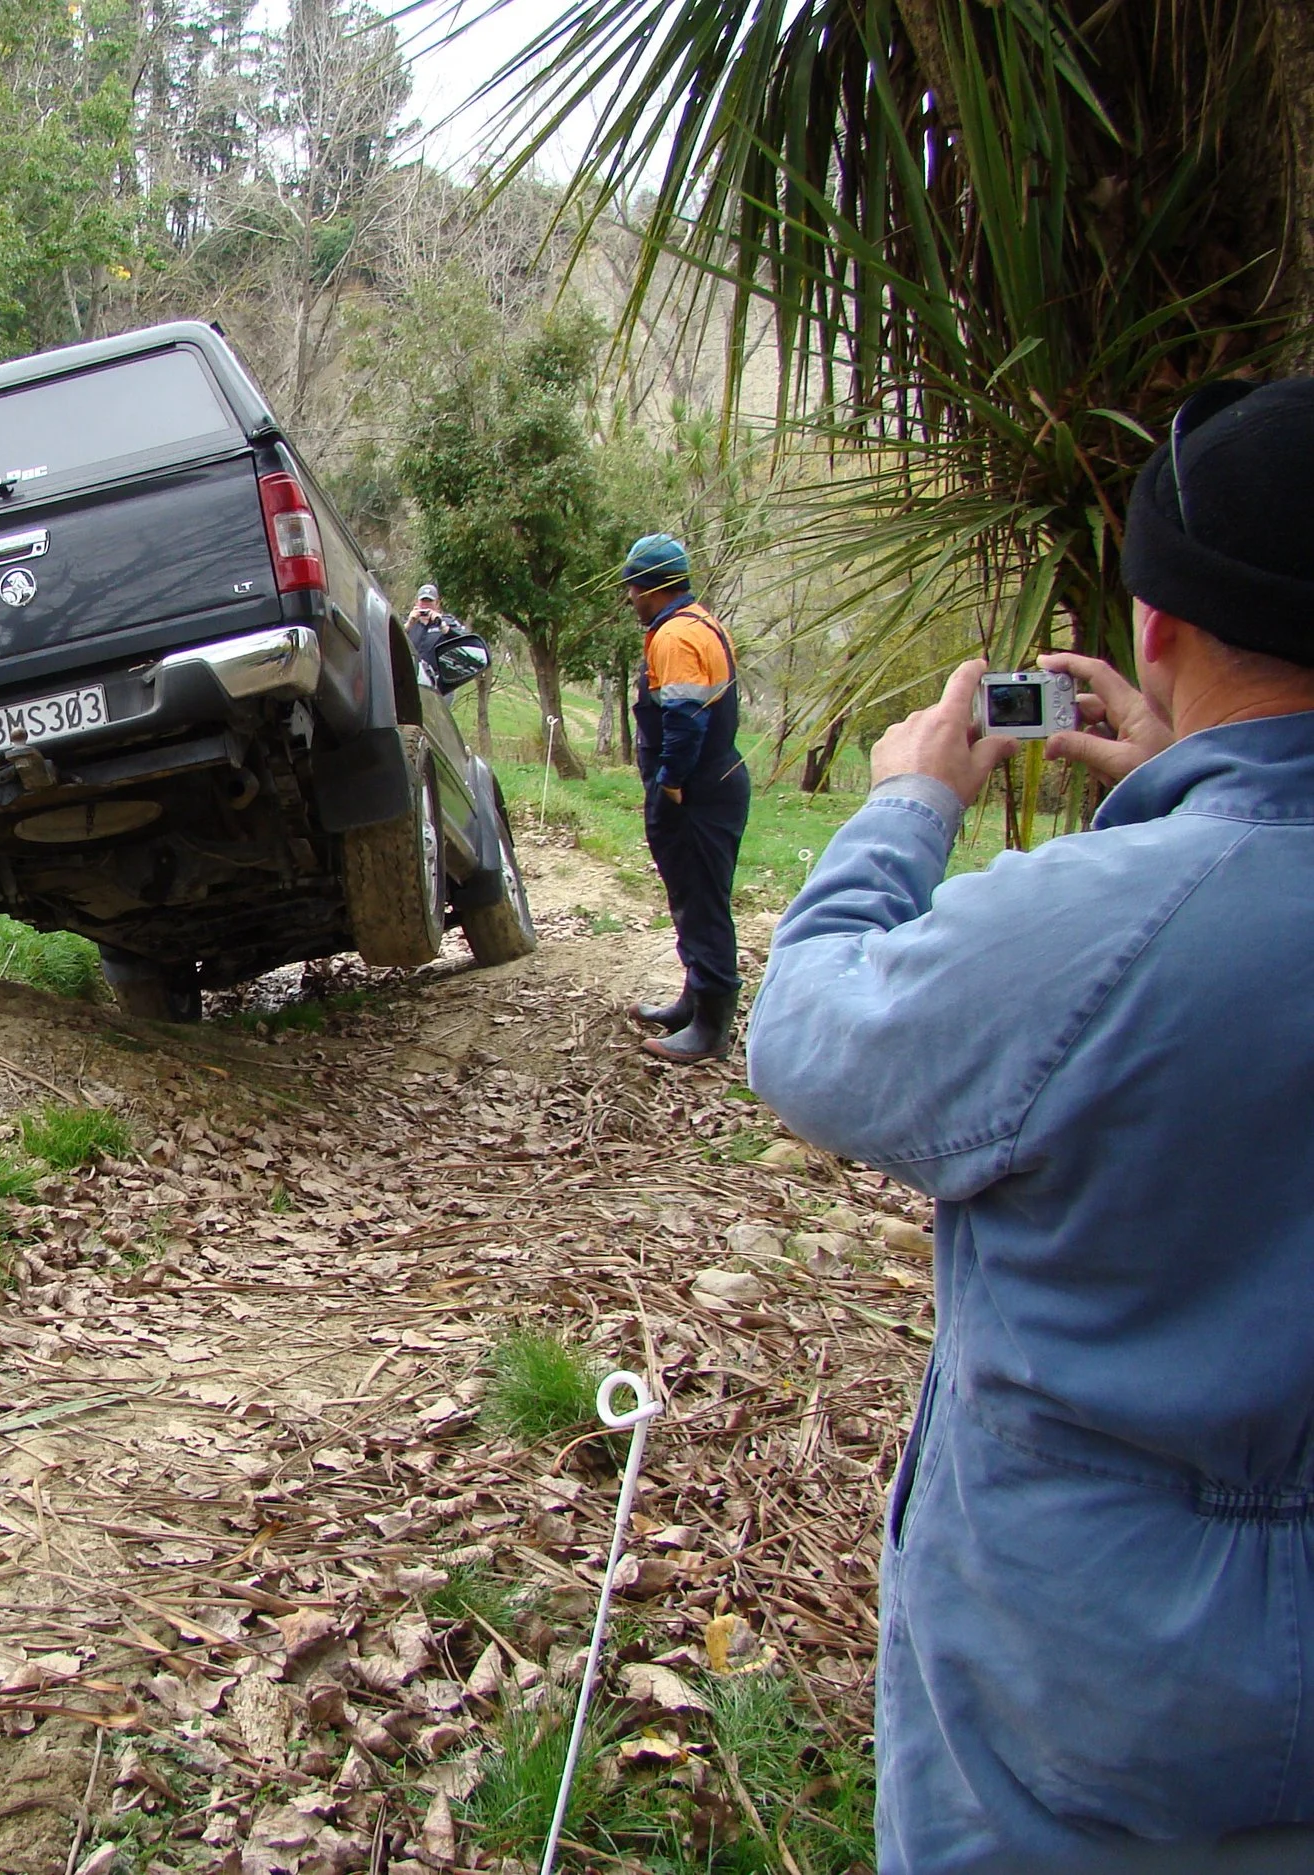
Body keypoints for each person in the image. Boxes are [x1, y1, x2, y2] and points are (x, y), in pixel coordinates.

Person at [745, 377, 1314, 1874]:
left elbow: (805, 1033)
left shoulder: (1085, 929)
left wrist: (903, 808)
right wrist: (1188, 791)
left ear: (1156, 630)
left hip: (1086, 1696)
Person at [620, 533, 748, 1063]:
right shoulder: (701, 622)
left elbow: (685, 717)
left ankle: (711, 1028)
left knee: (702, 902)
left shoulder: (674, 636)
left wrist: (671, 780)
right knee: (693, 898)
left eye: (632, 587)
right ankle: (693, 1003)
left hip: (697, 792)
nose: (630, 598)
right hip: (715, 782)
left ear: (649, 587)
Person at [405, 581, 461, 674]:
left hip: (437, 678)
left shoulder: (448, 621)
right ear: (416, 603)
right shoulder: (407, 621)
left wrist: (442, 625)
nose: (425, 605)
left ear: (437, 603)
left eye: (430, 601)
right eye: (423, 601)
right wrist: (409, 624)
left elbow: (465, 641)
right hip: (410, 676)